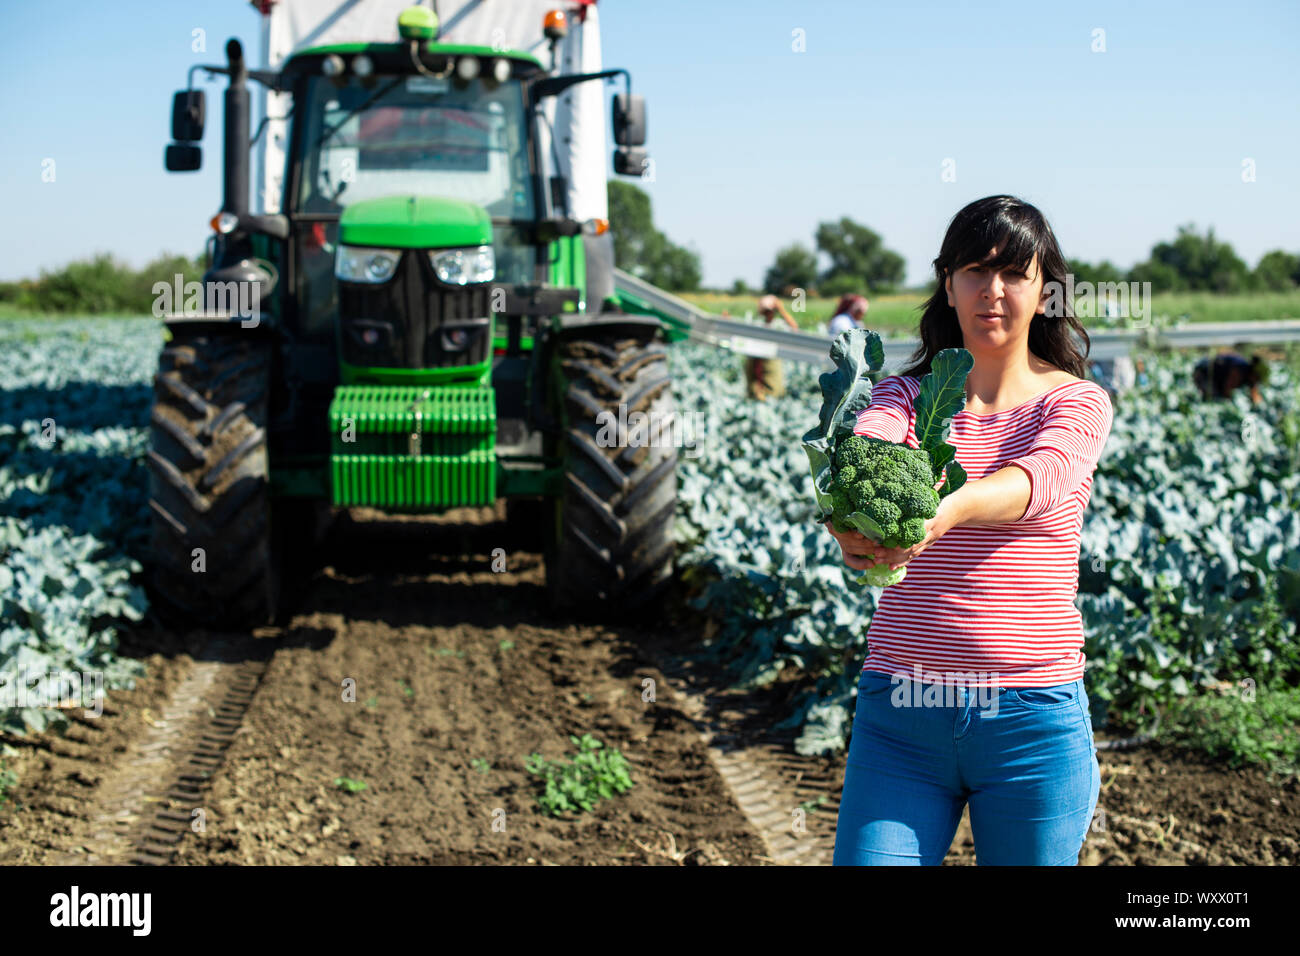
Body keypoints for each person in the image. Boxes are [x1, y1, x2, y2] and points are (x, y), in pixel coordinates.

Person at [825, 195, 1113, 866]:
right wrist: (854, 524)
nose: (994, 290)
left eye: (1015, 272)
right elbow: (872, 452)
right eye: (975, 270)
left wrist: (944, 509)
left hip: (1030, 720)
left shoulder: (1075, 402)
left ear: (1045, 291)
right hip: (901, 714)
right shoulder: (902, 397)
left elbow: (1040, 482)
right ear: (947, 283)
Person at [744, 293, 799, 400]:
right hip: (756, 363)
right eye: (765, 311)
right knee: (753, 393)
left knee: (772, 392)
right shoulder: (756, 323)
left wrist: (782, 310)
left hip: (771, 363)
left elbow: (795, 329)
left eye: (770, 310)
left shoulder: (778, 324)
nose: (768, 313)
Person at [1192, 351, 1266, 404]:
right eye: (1257, 378)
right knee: (1216, 400)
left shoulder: (1250, 376)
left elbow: (1255, 393)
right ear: (1253, 373)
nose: (1256, 381)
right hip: (1203, 373)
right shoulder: (1239, 370)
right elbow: (1227, 388)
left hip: (1212, 375)